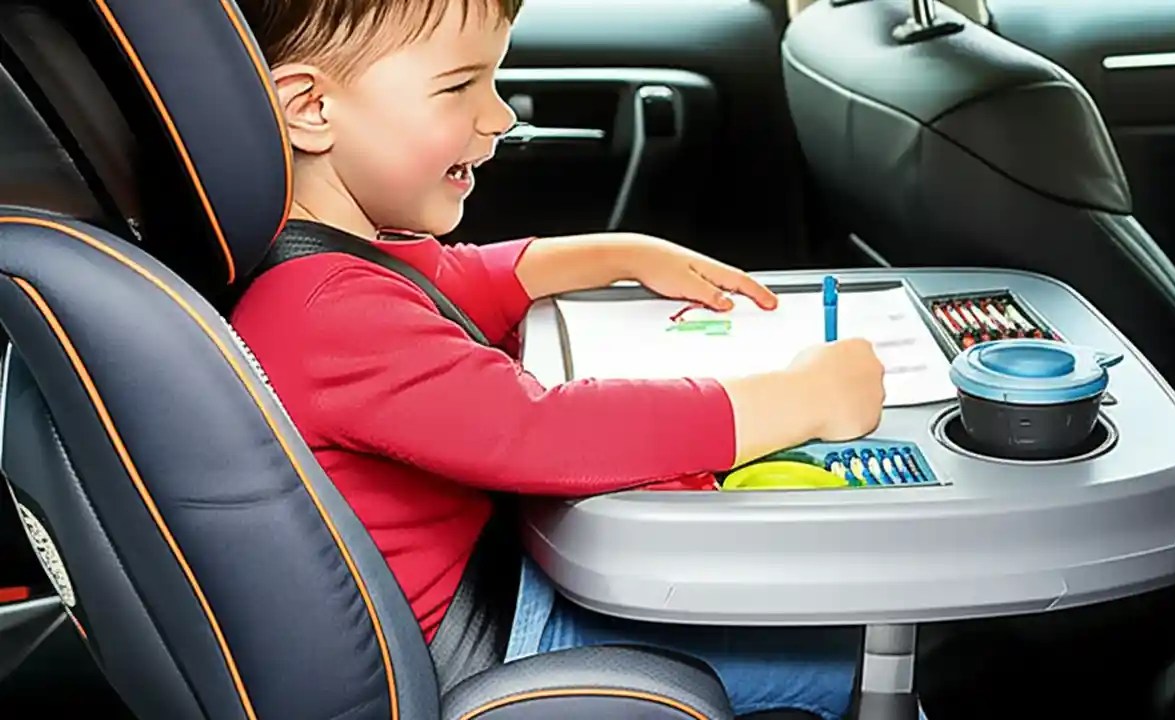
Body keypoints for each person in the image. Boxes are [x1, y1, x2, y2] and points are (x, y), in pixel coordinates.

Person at [232, 1, 897, 717]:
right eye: (460, 87)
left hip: (498, 578)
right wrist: (802, 397)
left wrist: (624, 253)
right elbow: (542, 431)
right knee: (849, 657)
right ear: (310, 108)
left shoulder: (330, 262)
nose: (499, 116)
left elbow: (457, 280)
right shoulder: (328, 312)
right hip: (494, 642)